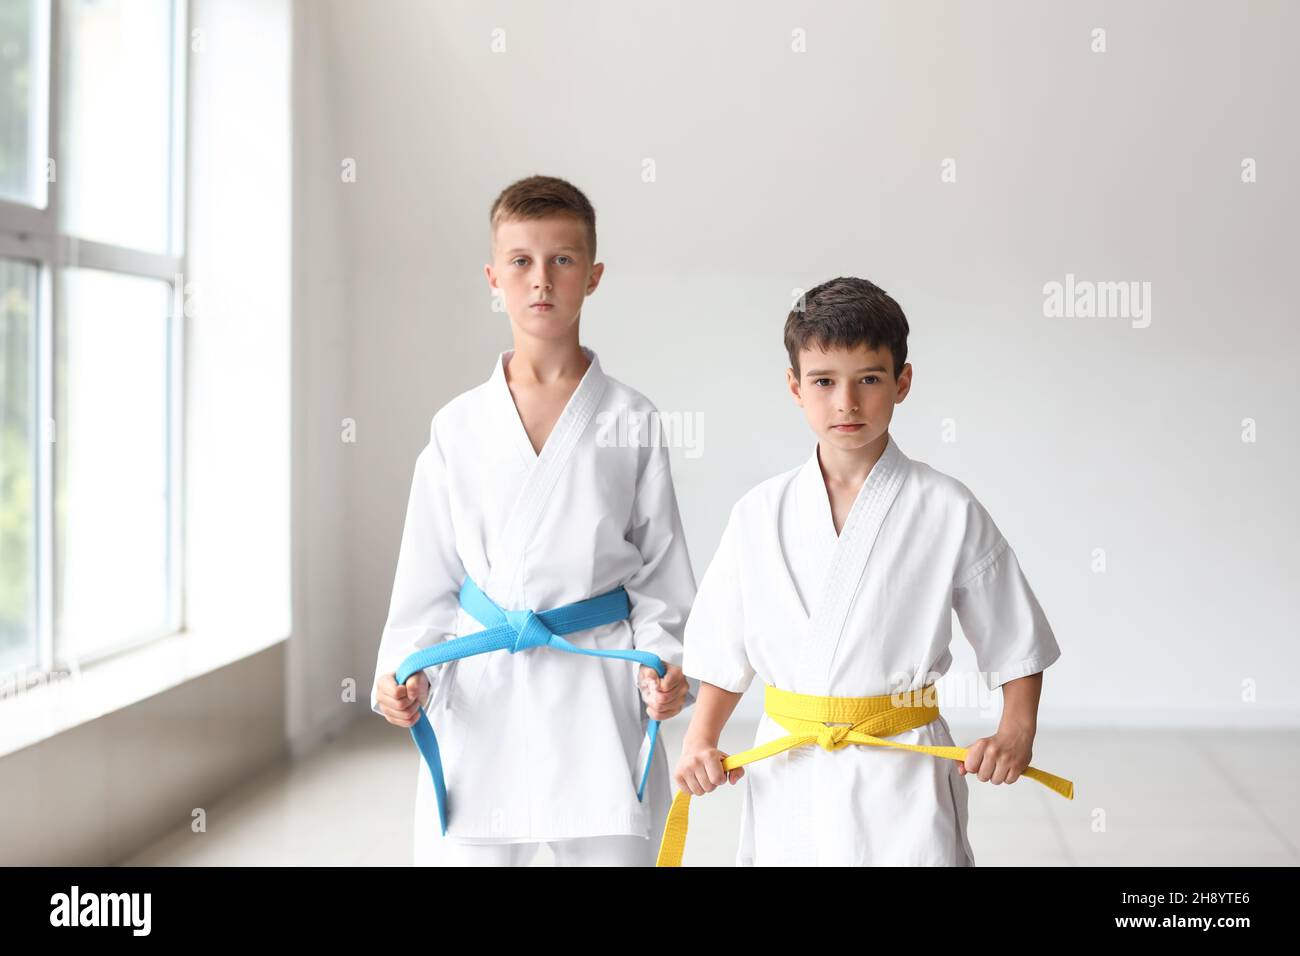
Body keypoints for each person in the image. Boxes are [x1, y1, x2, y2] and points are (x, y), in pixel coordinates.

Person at [662, 276, 1071, 867]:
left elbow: (1016, 638)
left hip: (901, 761)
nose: (846, 403)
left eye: (869, 380)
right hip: (790, 760)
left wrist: (1016, 730)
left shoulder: (946, 506)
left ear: (902, 383)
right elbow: (726, 648)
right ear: (795, 387)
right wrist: (700, 739)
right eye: (824, 381)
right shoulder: (760, 512)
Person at [371, 175, 697, 866]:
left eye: (562, 260)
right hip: (484, 688)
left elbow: (662, 570)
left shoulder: (630, 419)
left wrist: (665, 663)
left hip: (598, 686)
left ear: (594, 275)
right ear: (493, 277)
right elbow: (427, 572)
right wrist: (402, 671)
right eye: (520, 261)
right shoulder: (458, 426)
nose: (540, 280)